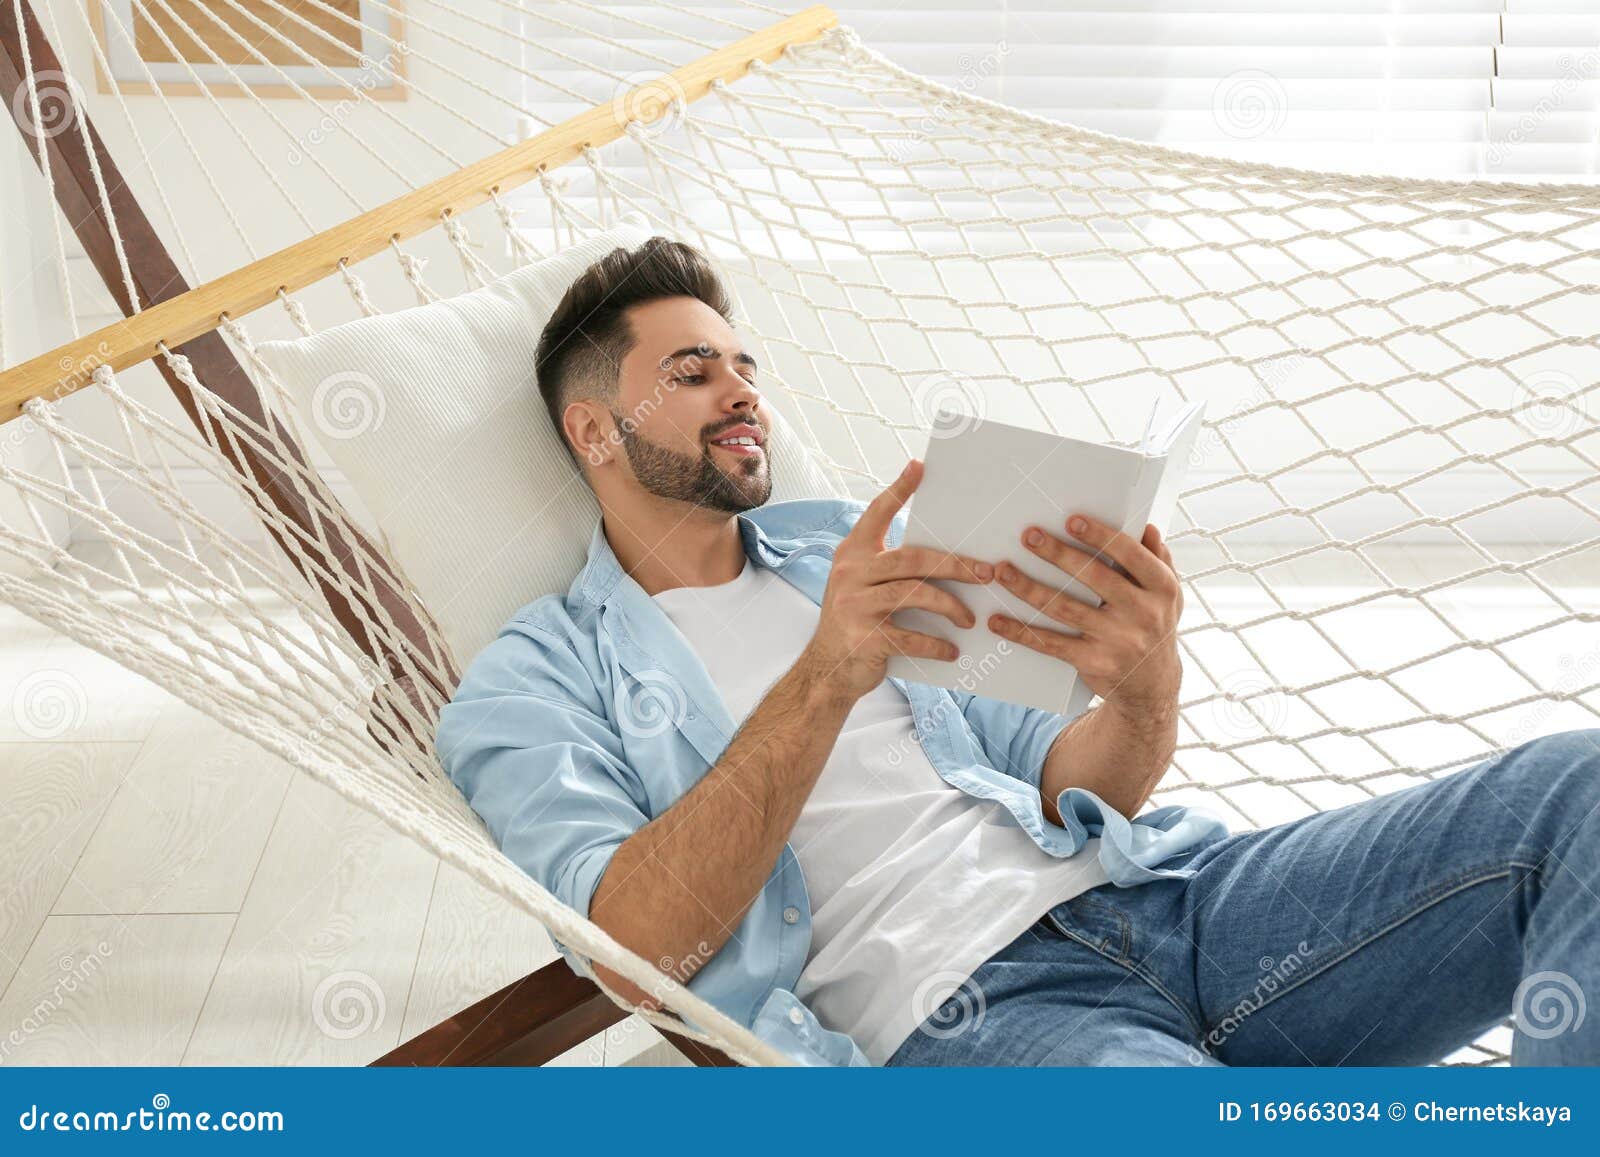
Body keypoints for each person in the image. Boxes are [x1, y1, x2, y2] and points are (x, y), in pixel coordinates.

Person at [435, 237, 1600, 1067]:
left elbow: (1070, 783)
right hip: (971, 1018)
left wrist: (1145, 688)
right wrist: (826, 676)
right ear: (592, 429)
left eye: (744, 366)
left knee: (1577, 792)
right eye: (691, 374)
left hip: (1162, 903)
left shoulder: (848, 542)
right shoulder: (531, 679)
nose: (741, 393)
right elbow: (635, 950)